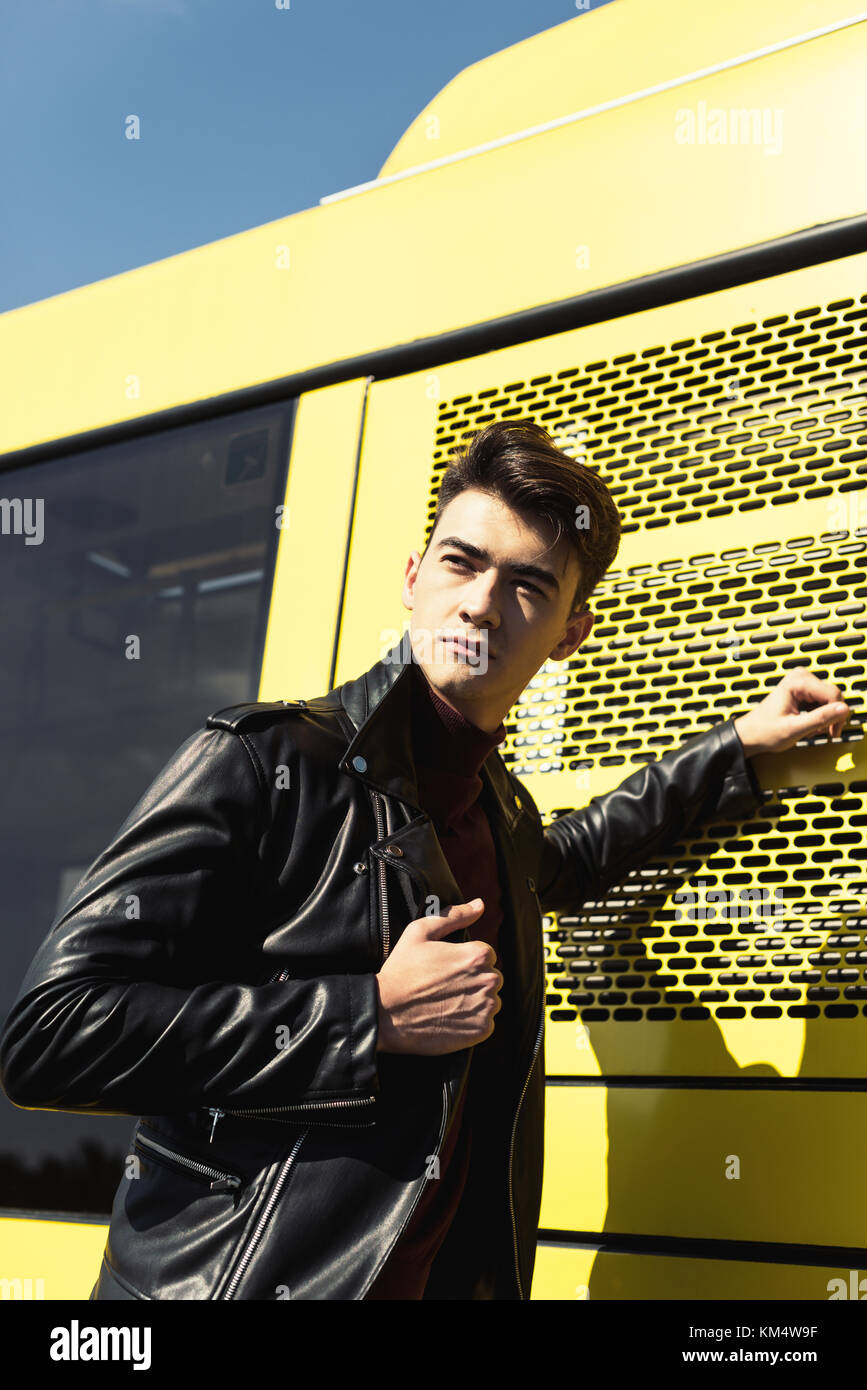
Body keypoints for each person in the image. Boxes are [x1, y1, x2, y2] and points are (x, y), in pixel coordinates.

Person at [0, 420, 851, 1300]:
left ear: (569, 634)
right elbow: (50, 1036)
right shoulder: (266, 762)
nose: (480, 605)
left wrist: (737, 749)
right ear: (413, 578)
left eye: (527, 586)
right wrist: (367, 1017)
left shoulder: (498, 811)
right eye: (460, 562)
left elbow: (573, 856)